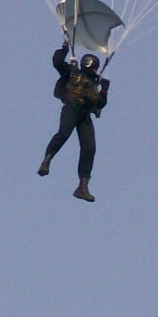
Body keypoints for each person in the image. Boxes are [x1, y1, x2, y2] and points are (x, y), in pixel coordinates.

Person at [37, 41, 110, 201]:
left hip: (84, 115)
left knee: (89, 147)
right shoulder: (72, 72)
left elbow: (99, 105)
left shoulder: (94, 84)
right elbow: (57, 63)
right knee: (64, 133)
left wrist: (104, 90)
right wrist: (63, 49)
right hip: (72, 106)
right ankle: (47, 160)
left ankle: (82, 185)